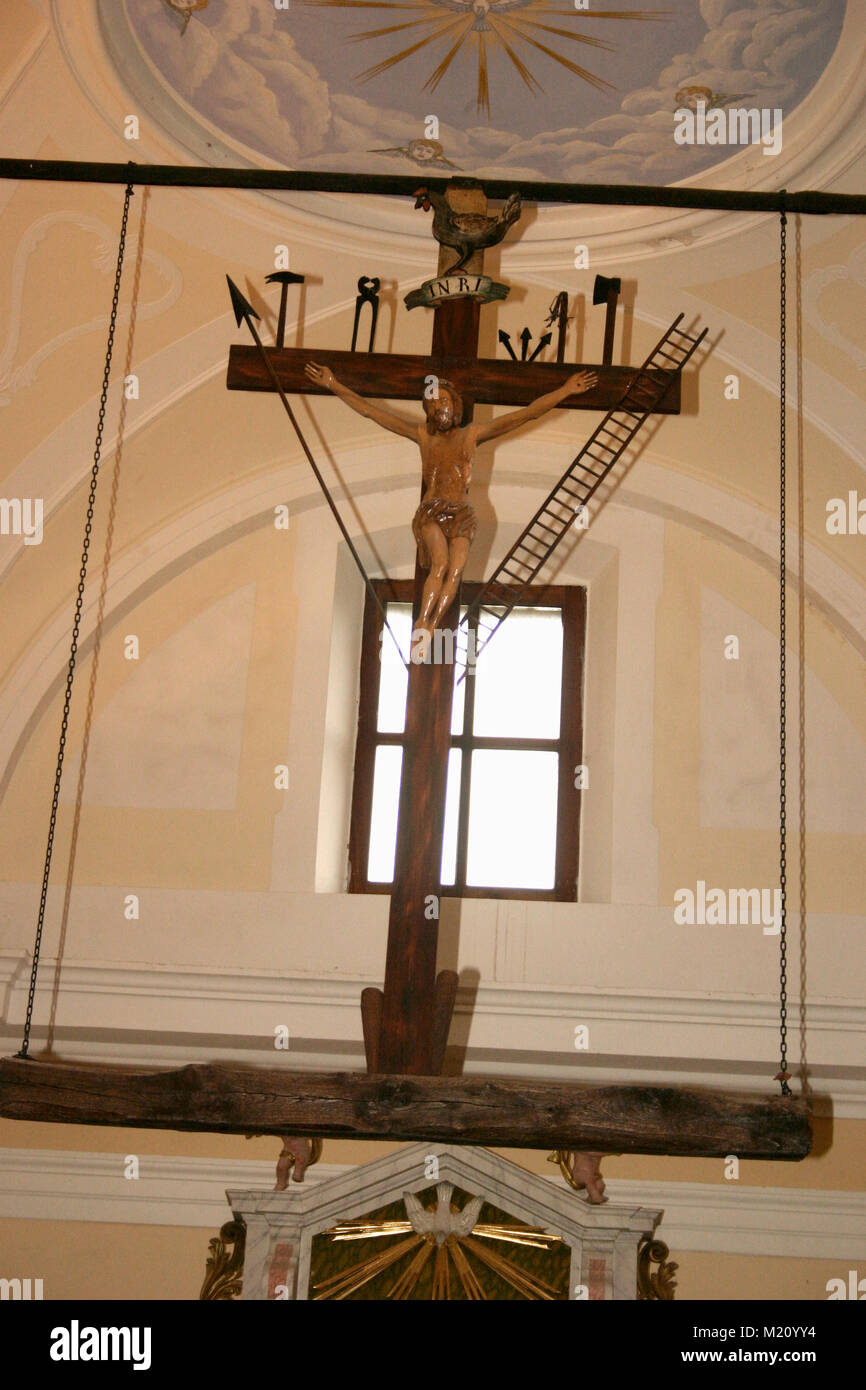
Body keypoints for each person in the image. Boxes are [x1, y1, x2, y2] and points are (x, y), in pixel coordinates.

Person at [304, 361, 598, 656]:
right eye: (432, 403)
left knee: (456, 570)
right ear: (428, 411)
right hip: (431, 510)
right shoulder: (424, 437)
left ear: (455, 406)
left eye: (443, 400)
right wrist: (333, 384)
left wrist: (564, 391)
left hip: (462, 513)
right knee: (441, 563)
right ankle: (421, 622)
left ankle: (432, 626)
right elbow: (373, 412)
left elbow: (527, 414)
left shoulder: (472, 435)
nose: (438, 407)